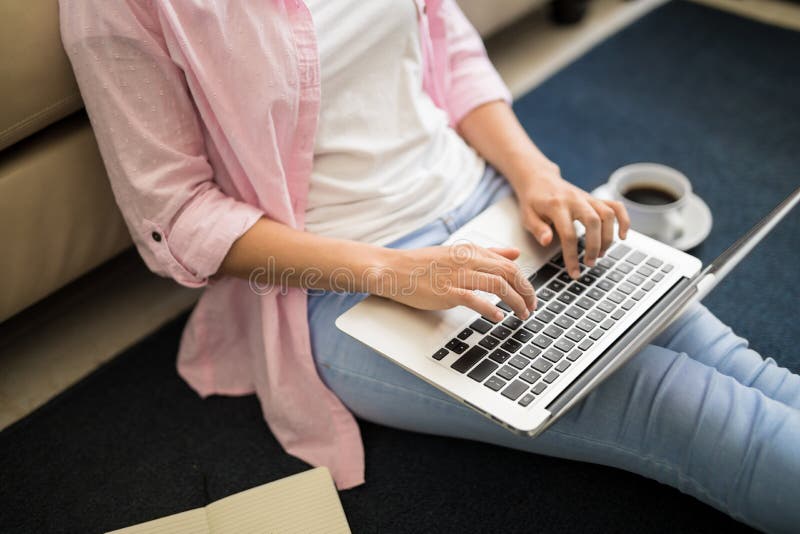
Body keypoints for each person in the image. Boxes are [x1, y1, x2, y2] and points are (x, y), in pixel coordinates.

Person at [61, 1, 799, 531]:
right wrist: (393, 272)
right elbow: (177, 215)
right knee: (674, 405)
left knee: (722, 354)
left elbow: (447, 44)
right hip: (346, 288)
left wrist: (533, 174)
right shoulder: (112, 8)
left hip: (488, 200)